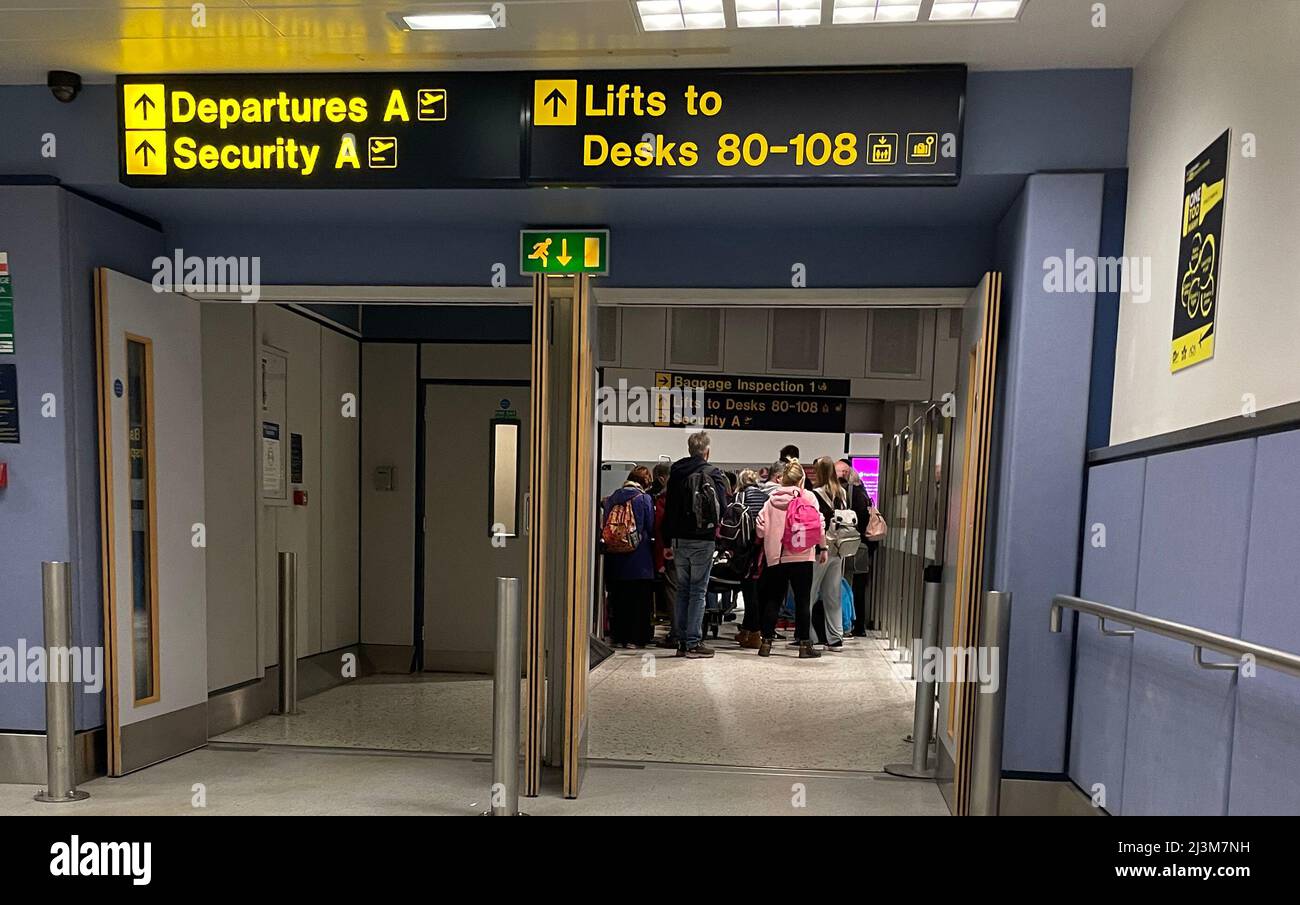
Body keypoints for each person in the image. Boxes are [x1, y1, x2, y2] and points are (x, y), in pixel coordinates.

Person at [662, 431, 728, 659]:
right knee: (698, 591)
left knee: (682, 590)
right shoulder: (713, 473)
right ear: (706, 452)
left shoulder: (676, 473)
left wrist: (667, 540)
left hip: (679, 540)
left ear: (690, 449)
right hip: (703, 540)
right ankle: (693, 642)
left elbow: (669, 509)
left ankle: (680, 640)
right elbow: (722, 506)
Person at [755, 459, 827, 659]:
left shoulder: (771, 500)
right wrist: (823, 547)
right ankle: (805, 646)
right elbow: (819, 524)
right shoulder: (809, 497)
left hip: (777, 556)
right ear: (801, 479)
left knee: (773, 599)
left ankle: (766, 644)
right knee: (803, 600)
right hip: (802, 555)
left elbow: (760, 529)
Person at [601, 466, 656, 648]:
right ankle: (635, 638)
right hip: (638, 559)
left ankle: (618, 636)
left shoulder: (611, 498)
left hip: (614, 558)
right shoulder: (644, 499)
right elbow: (649, 526)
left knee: (618, 599)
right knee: (638, 601)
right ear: (645, 483)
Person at [810, 456, 849, 652]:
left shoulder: (814, 494)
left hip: (821, 549)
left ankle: (811, 636)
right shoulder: (842, 493)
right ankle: (835, 638)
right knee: (833, 595)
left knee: (810, 592)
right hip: (840, 549)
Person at [837, 458, 876, 636]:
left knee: (848, 585)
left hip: (851, 546)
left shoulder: (849, 493)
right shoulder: (862, 492)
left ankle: (850, 624)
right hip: (861, 545)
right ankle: (857, 624)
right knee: (857, 586)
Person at [734, 468, 771, 649]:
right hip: (763, 550)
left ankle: (754, 633)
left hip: (744, 550)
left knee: (749, 592)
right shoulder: (766, 499)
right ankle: (747, 631)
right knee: (758, 591)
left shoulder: (739, 498)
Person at [649, 461, 677, 643]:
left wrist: (659, 561)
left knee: (673, 591)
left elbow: (660, 531)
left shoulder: (663, 498)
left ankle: (677, 634)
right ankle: (692, 634)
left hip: (670, 552)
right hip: (695, 549)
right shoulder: (686, 495)